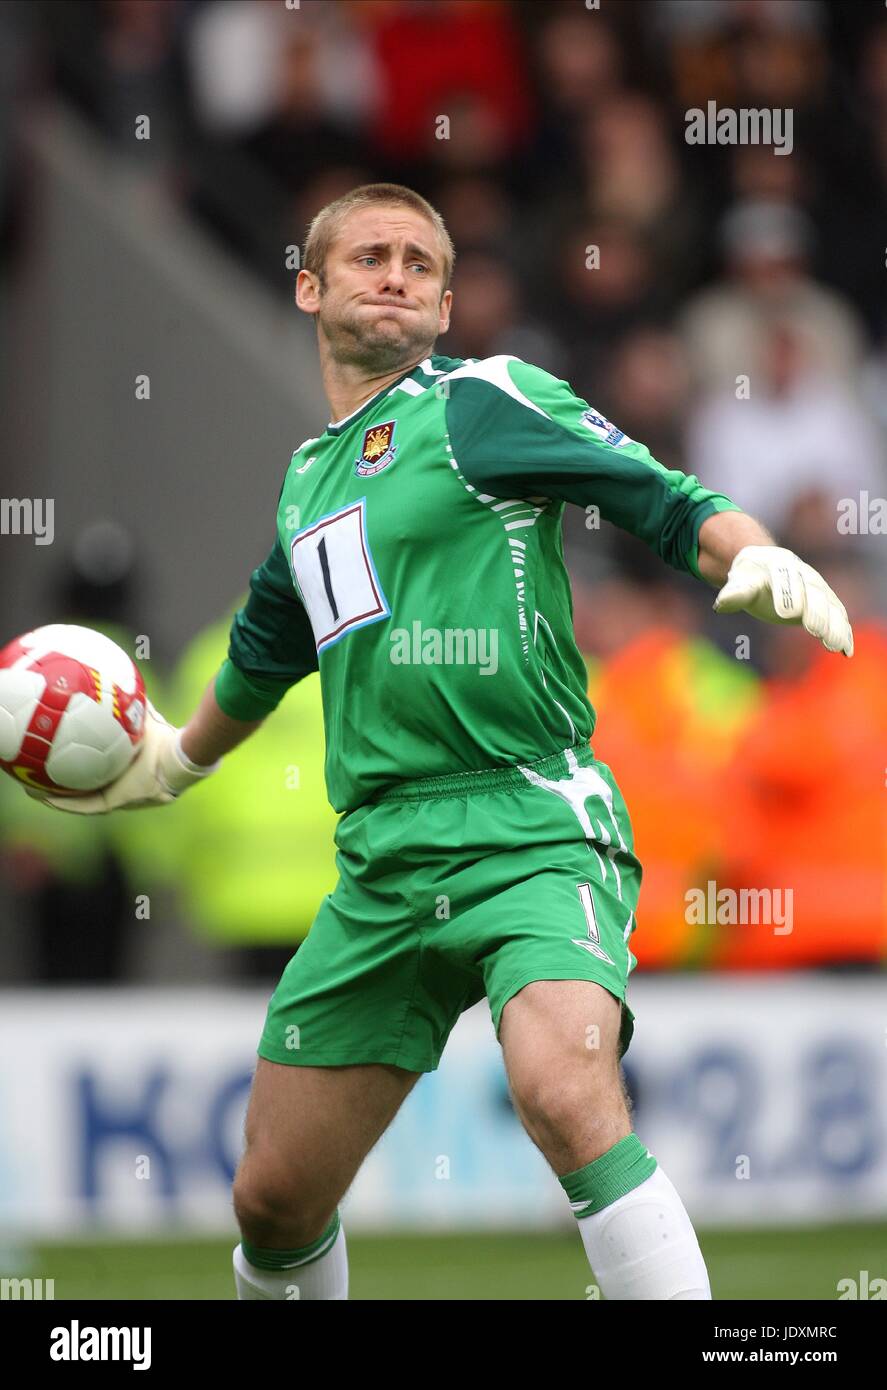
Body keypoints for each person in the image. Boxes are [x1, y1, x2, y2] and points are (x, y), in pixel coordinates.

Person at [28, 184, 854, 1302]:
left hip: (527, 818)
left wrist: (749, 552)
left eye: (421, 262)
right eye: (369, 255)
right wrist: (174, 759)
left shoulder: (485, 401)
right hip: (381, 859)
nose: (397, 274)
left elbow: (659, 495)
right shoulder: (306, 480)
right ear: (309, 287)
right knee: (272, 1198)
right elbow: (269, 647)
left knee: (563, 1089)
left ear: (447, 301)